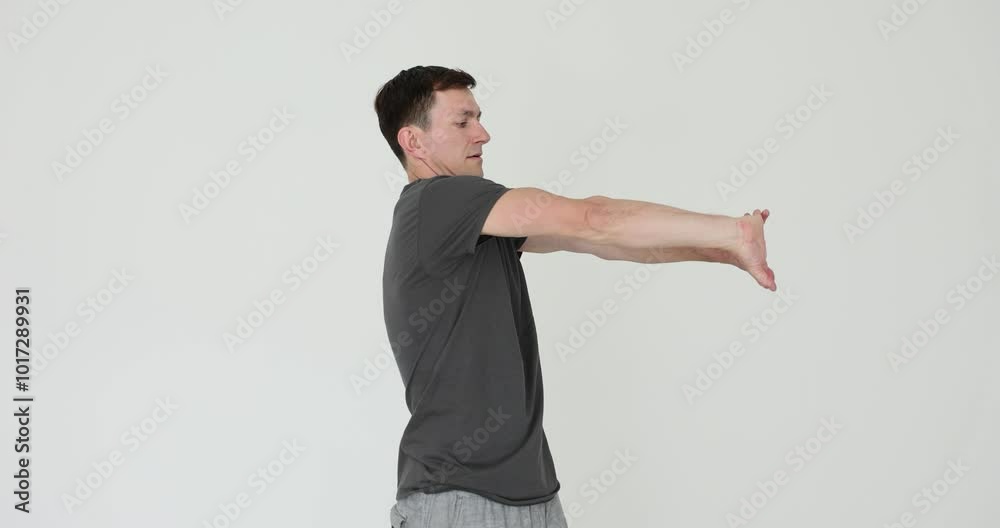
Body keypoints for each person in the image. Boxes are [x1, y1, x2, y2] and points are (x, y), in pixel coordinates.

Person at [374, 65, 776, 528]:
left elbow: (605, 240)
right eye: (462, 122)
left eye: (479, 118)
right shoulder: (437, 201)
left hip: (531, 495)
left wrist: (723, 251)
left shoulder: (474, 224)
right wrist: (734, 229)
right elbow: (593, 219)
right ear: (414, 142)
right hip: (461, 501)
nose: (483, 134)